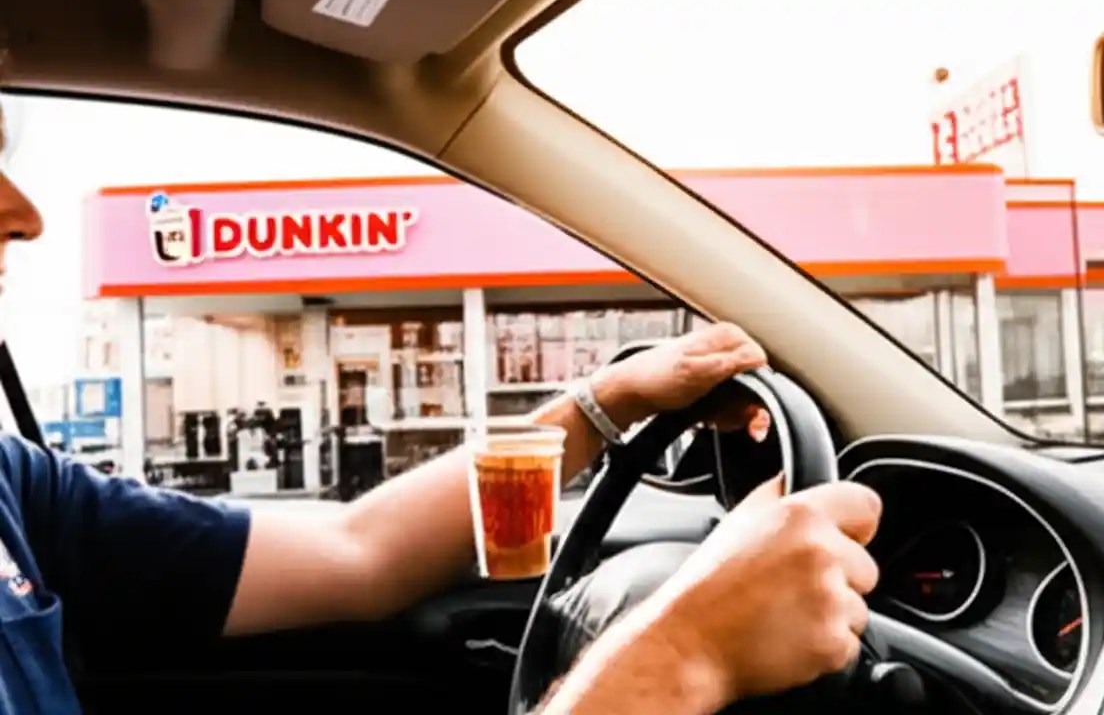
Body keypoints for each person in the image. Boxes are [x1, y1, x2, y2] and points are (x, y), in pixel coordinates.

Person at [0, 96, 882, 714]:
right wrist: (683, 655)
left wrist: (601, 405)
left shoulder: (14, 484)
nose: (25, 214)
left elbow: (360, 553)